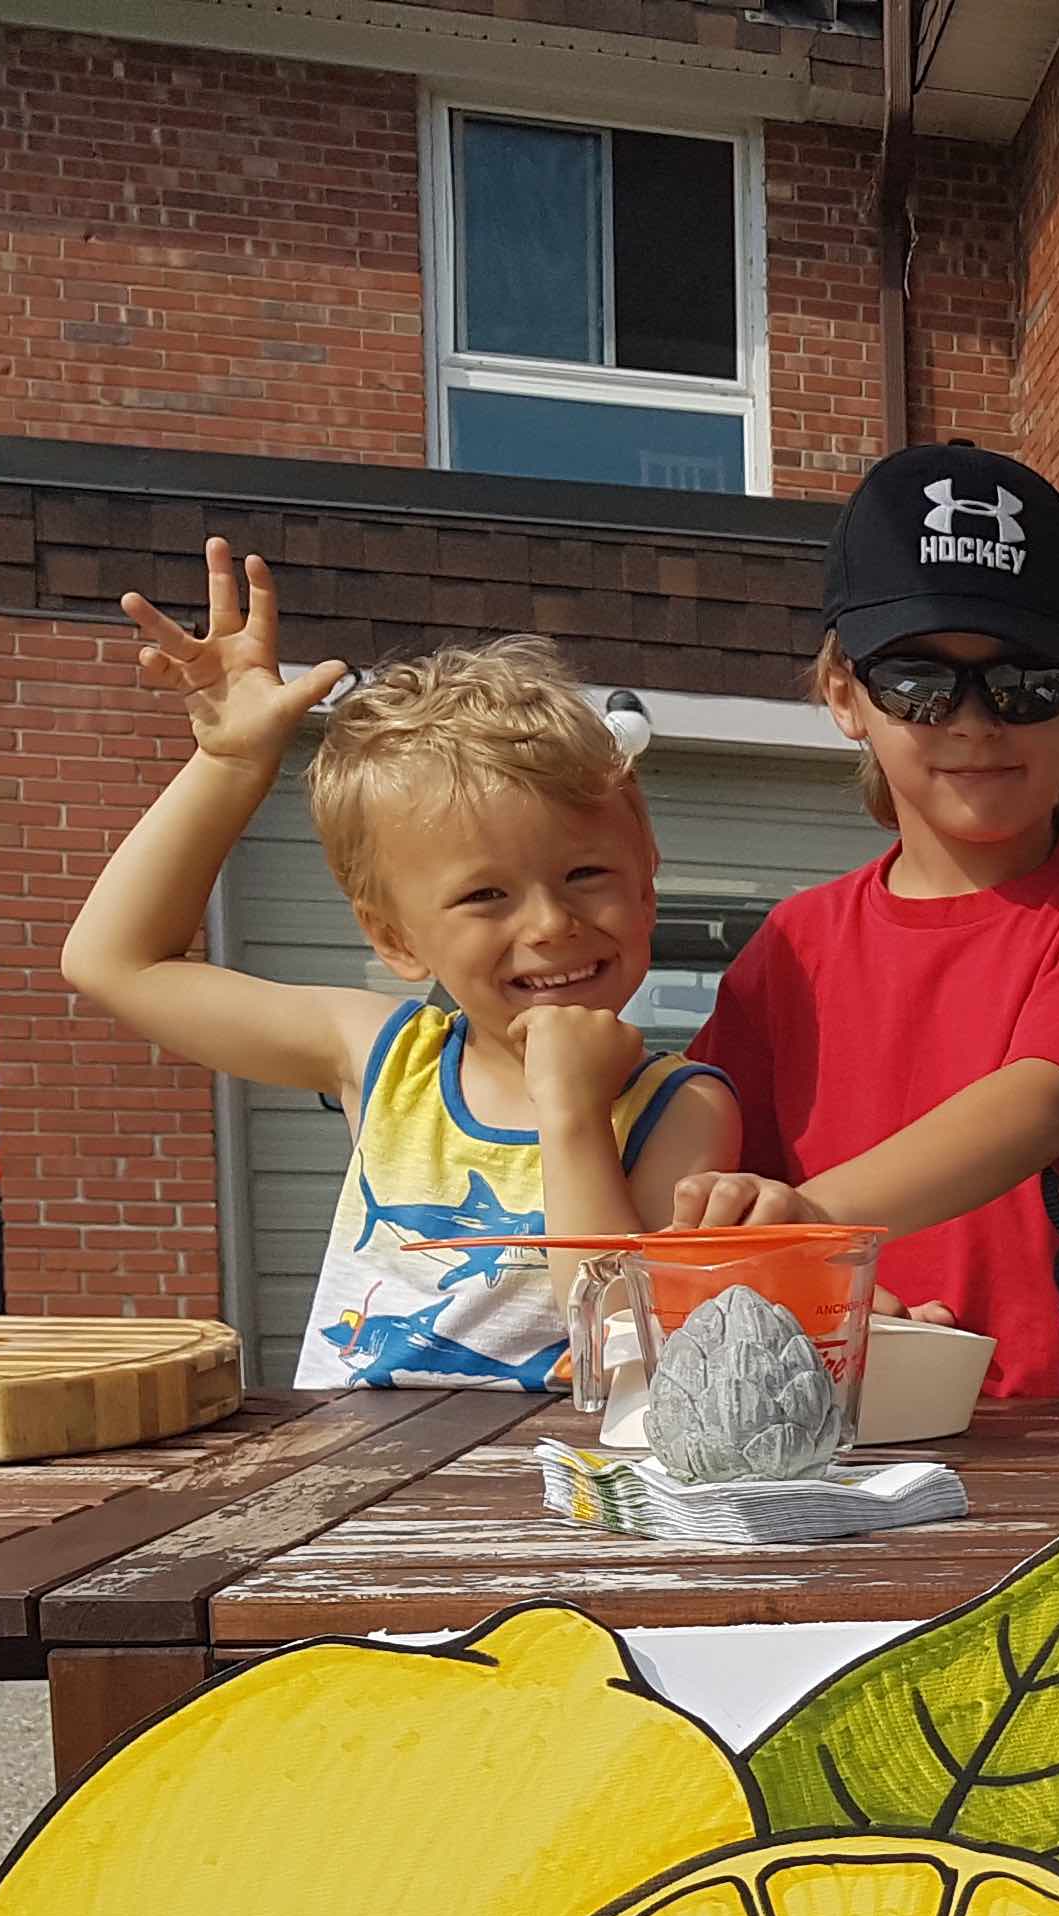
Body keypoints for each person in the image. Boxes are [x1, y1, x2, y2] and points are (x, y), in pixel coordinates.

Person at [61, 542, 738, 1389]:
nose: (550, 923)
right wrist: (229, 763)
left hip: (543, 1505)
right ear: (396, 940)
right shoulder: (384, 1056)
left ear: (646, 886)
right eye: (485, 895)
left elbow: (618, 1347)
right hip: (345, 1486)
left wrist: (570, 1108)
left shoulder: (681, 1105)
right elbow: (111, 962)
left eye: (586, 876)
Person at [673, 443, 1059, 1404]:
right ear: (843, 696)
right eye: (918, 681)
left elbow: (1040, 1103)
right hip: (837, 1414)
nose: (974, 722)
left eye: (1026, 682)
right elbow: (702, 1163)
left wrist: (809, 1221)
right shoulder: (788, 946)